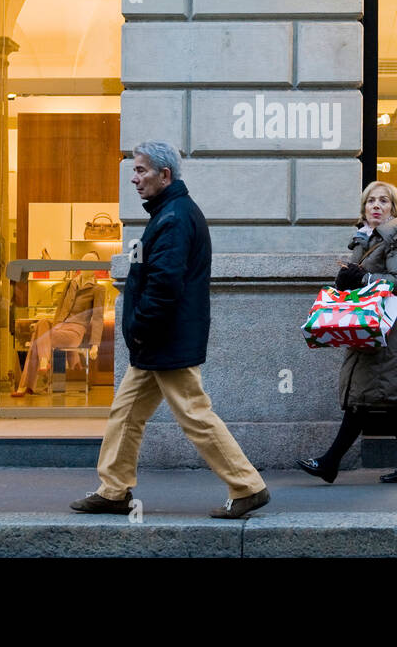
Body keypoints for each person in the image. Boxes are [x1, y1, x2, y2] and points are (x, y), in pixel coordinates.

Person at [71, 141, 271, 519]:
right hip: (158, 342)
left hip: (165, 340)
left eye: (141, 170)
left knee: (194, 414)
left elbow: (164, 284)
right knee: (126, 413)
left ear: (165, 175)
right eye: (134, 169)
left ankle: (248, 486)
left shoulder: (174, 218)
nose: (134, 178)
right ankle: (113, 489)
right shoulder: (167, 213)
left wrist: (141, 328)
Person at [297, 181, 397, 484]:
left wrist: (364, 276)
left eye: (384, 201)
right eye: (370, 201)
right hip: (367, 327)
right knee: (382, 399)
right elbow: (360, 284)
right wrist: (347, 281)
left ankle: (331, 463)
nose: (376, 206)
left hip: (390, 330)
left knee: (374, 399)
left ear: (394, 209)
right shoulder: (365, 241)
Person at [12, 253, 101, 397]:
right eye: (85, 262)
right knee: (42, 323)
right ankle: (42, 362)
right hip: (59, 326)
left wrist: (95, 344)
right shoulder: (71, 284)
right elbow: (60, 308)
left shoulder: (97, 289)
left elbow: (97, 318)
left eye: (92, 264)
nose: (87, 267)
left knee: (38, 339)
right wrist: (52, 326)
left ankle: (26, 384)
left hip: (75, 332)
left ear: (96, 267)